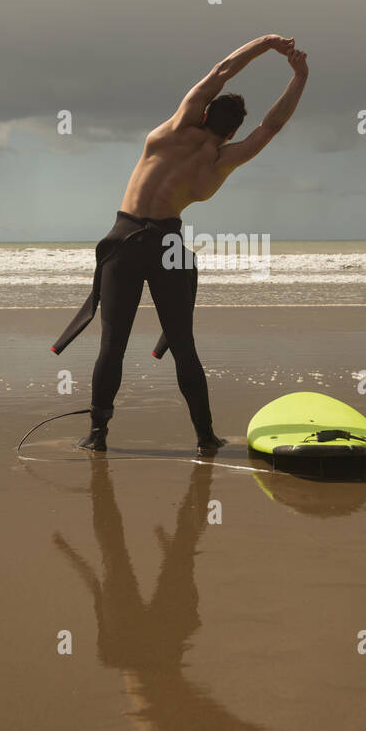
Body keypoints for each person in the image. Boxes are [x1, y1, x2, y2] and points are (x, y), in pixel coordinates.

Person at [51, 34, 309, 452]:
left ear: (205, 112)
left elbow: (222, 69)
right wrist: (299, 76)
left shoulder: (175, 128)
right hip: (168, 247)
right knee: (184, 347)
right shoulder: (222, 160)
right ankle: (205, 436)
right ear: (233, 130)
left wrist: (268, 44)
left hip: (124, 239)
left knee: (113, 345)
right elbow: (272, 126)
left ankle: (98, 434)